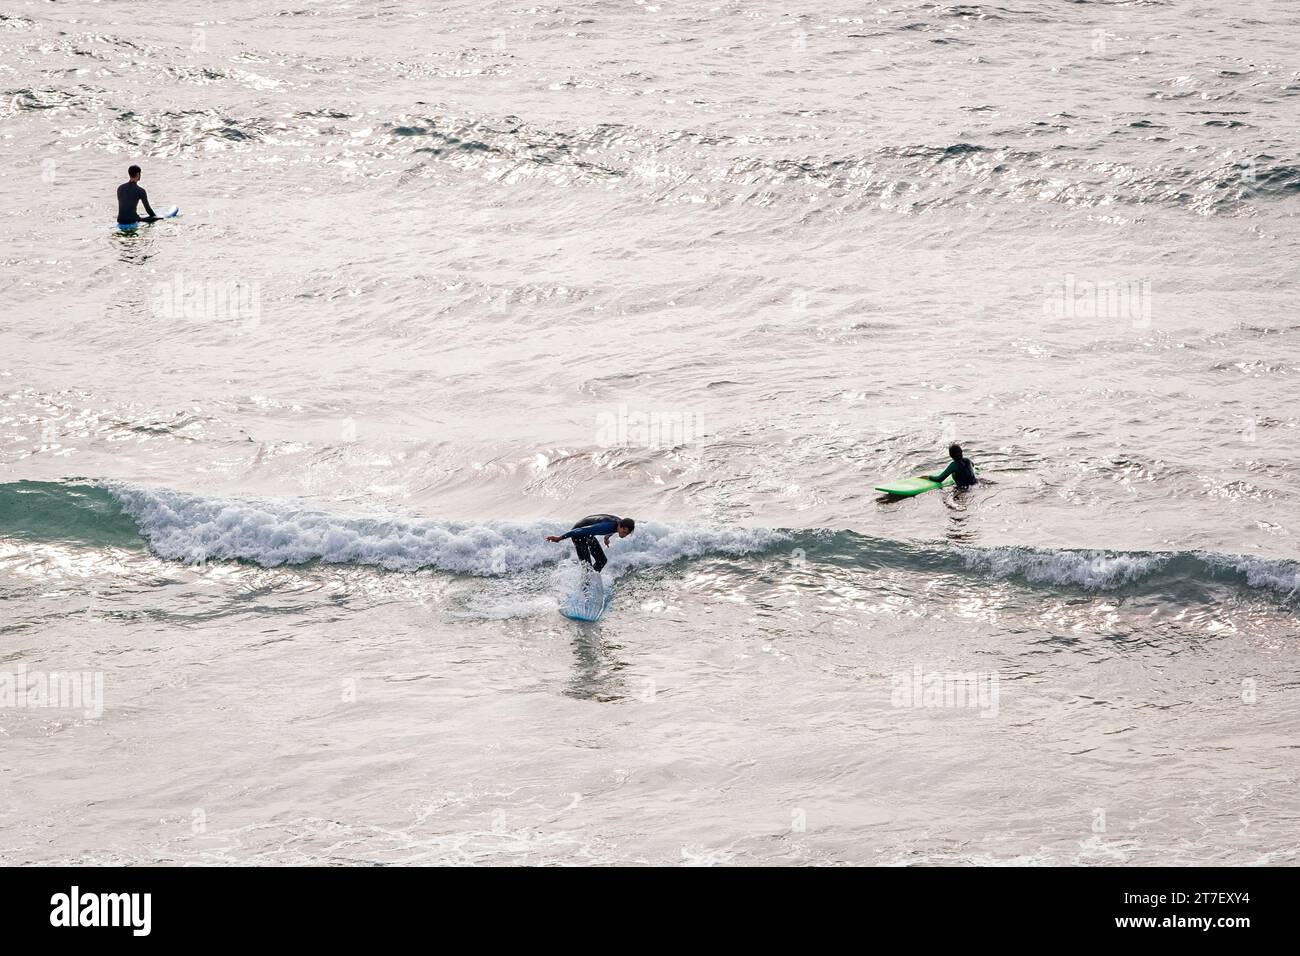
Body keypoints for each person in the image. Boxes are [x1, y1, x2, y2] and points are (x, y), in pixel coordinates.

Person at [546, 514, 635, 573]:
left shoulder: (619, 524)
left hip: (588, 535)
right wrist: (559, 538)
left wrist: (607, 537)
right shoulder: (606, 526)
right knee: (587, 567)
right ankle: (585, 589)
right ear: (620, 526)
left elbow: (614, 530)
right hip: (578, 534)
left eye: (626, 533)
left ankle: (591, 580)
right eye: (623, 531)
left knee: (602, 561)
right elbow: (579, 530)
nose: (624, 535)